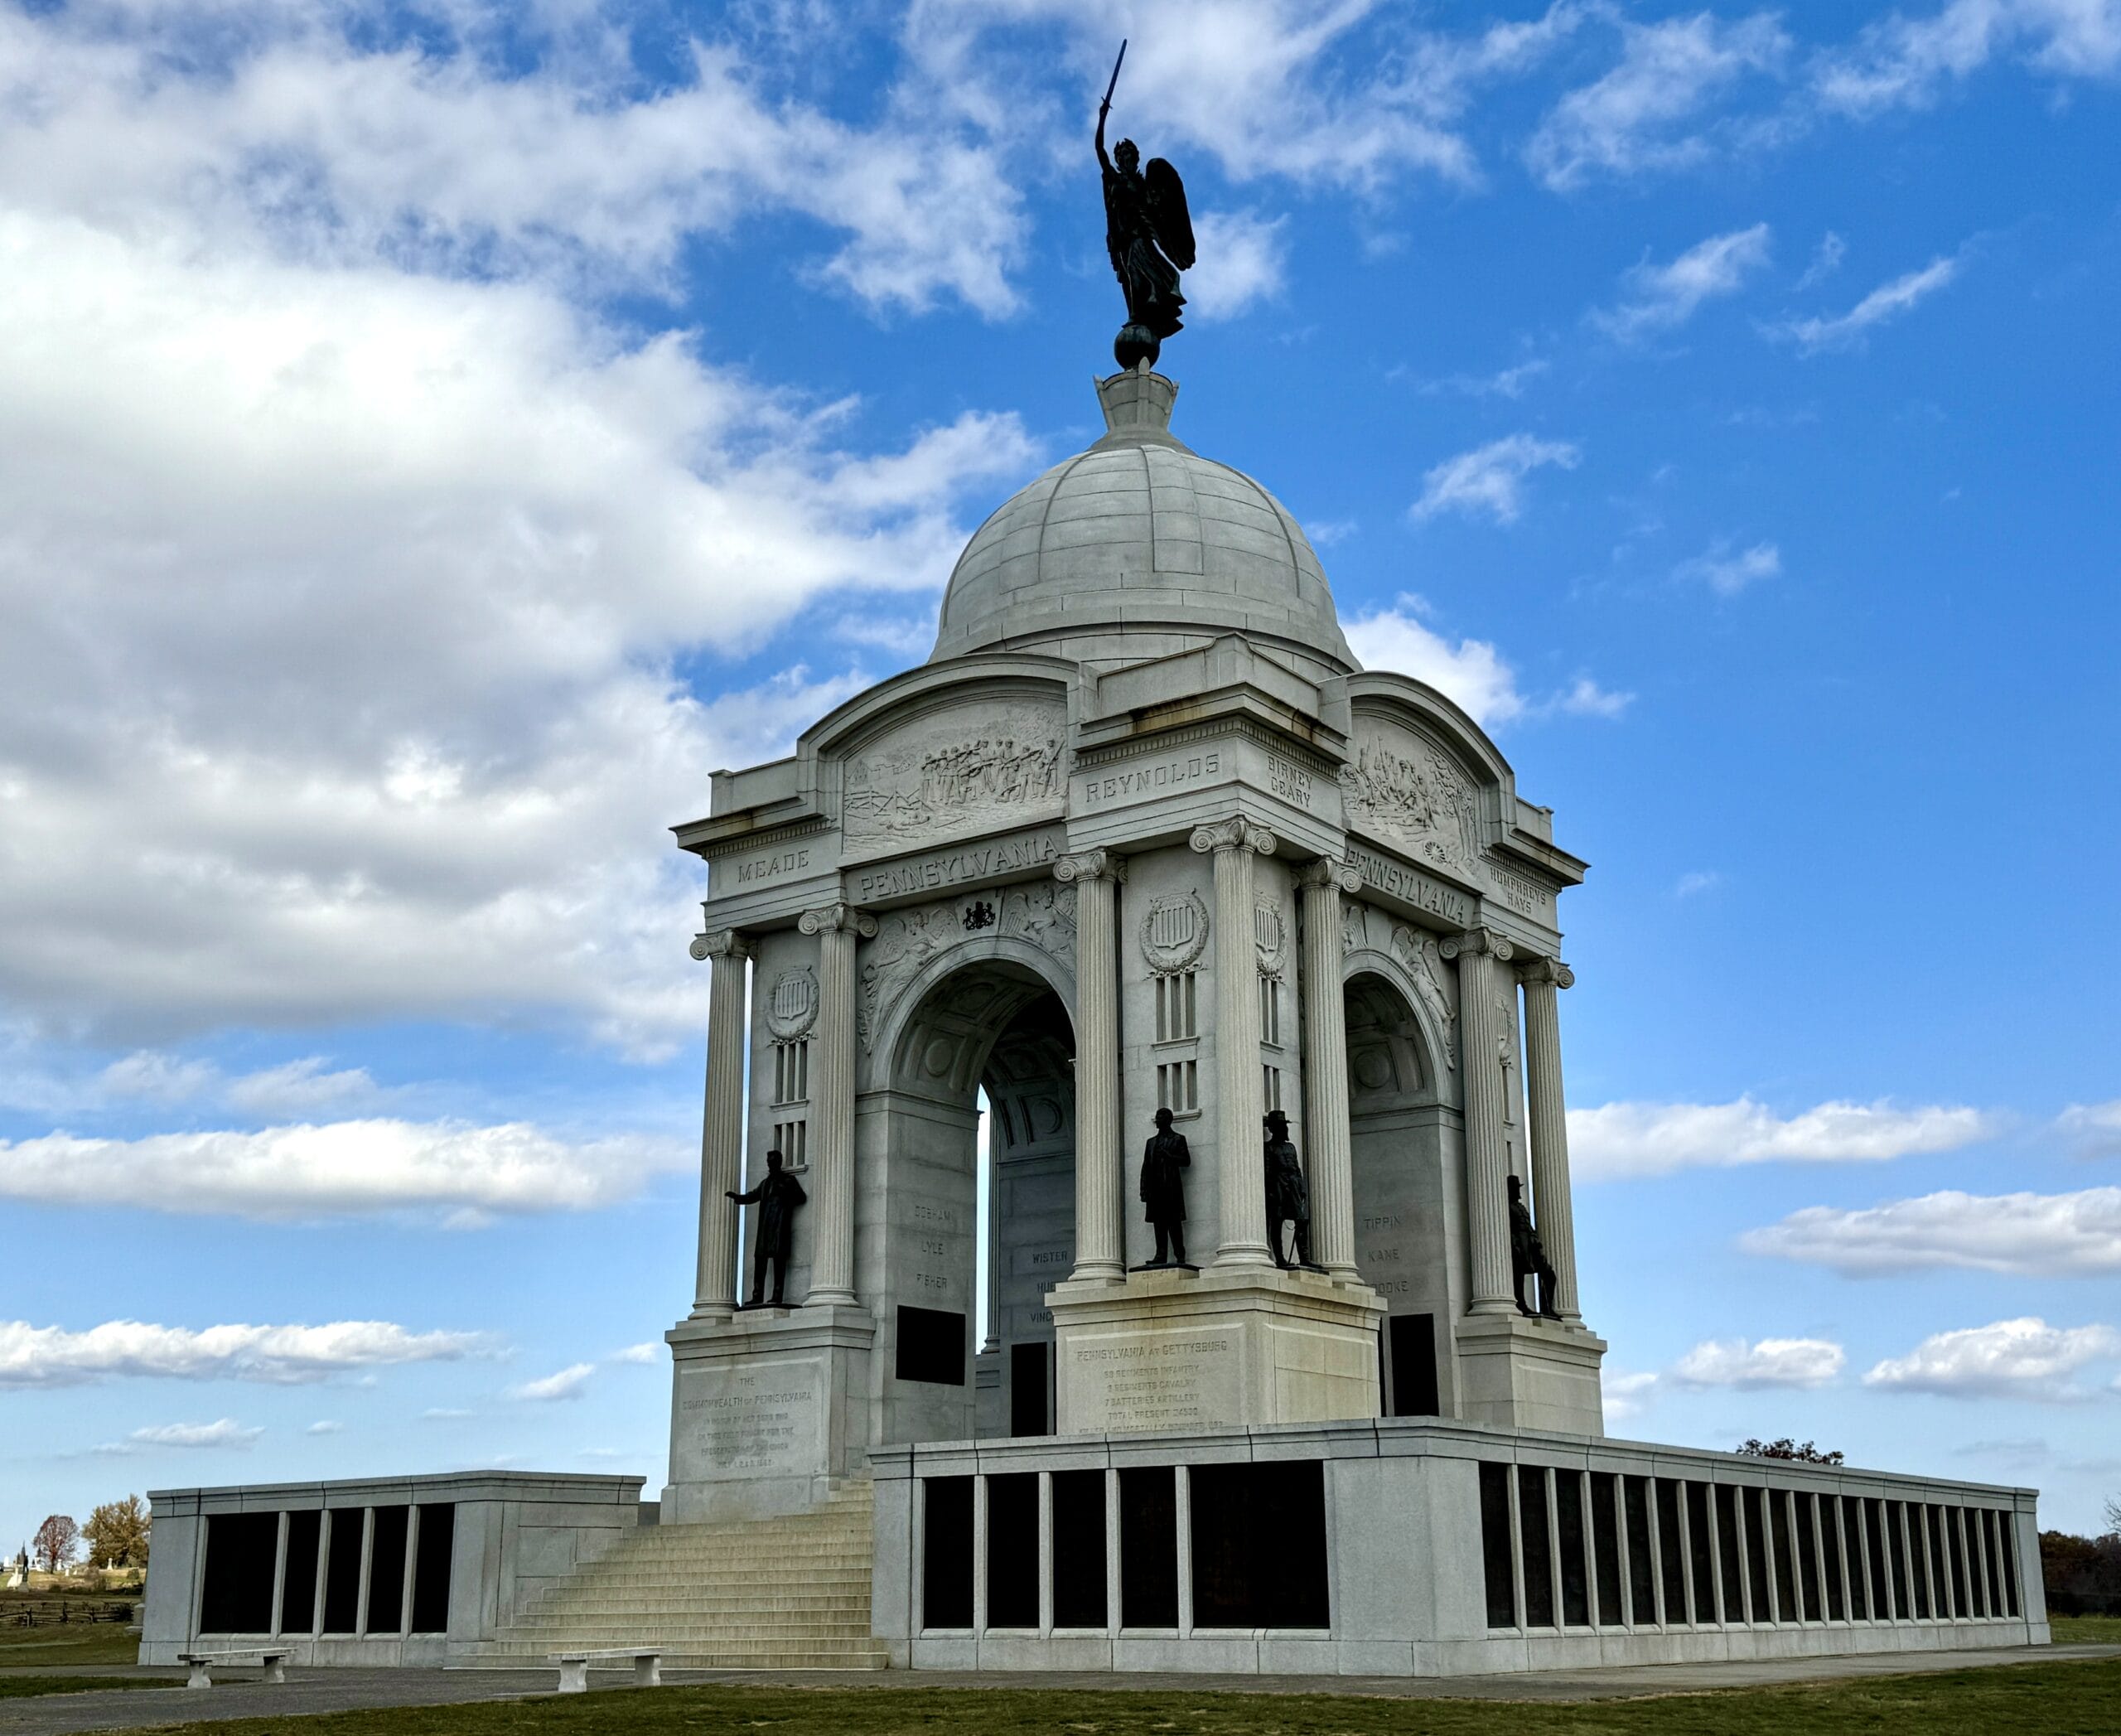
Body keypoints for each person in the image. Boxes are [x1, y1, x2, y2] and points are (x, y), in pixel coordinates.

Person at [727, 1148, 807, 1308]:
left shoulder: (788, 1181)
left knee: (778, 1262)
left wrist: (785, 1204)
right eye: (768, 1163)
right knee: (760, 1261)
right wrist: (737, 1198)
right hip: (764, 1229)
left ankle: (777, 1296)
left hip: (779, 1227)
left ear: (778, 1162)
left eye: (772, 1162)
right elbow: (752, 1196)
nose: (770, 1165)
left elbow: (801, 1197)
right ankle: (757, 1296)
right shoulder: (766, 1183)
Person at [1139, 1107, 1191, 1267]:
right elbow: (1145, 1167)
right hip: (1155, 1190)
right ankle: (1160, 1255)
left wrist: (1170, 1156)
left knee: (1174, 1223)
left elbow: (1186, 1161)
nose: (1157, 1120)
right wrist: (1143, 1190)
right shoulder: (1151, 1143)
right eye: (1156, 1117)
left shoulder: (1178, 1139)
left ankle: (1179, 1254)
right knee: (1159, 1224)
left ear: (1168, 1120)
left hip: (1171, 1188)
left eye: (1160, 1117)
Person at [1262, 1109, 1312, 1268]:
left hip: (1293, 1185)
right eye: (1280, 1126)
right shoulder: (1269, 1147)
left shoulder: (1290, 1147)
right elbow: (1268, 1171)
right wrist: (1270, 1192)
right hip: (1278, 1186)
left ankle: (1304, 1257)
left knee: (1301, 1220)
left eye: (1284, 1126)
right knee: (1276, 1222)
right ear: (1272, 1129)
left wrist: (1302, 1188)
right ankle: (1280, 1258)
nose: (1284, 1129)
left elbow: (1297, 1169)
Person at [1508, 1174, 1561, 1319]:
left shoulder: (1520, 1207)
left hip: (1530, 1245)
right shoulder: (1508, 1207)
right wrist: (1514, 1244)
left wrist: (1535, 1239)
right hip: (1520, 1245)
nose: (1518, 1191)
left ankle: (1547, 1307)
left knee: (1550, 1274)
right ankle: (1521, 1304)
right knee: (1518, 1276)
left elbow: (1527, 1226)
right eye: (1515, 1188)